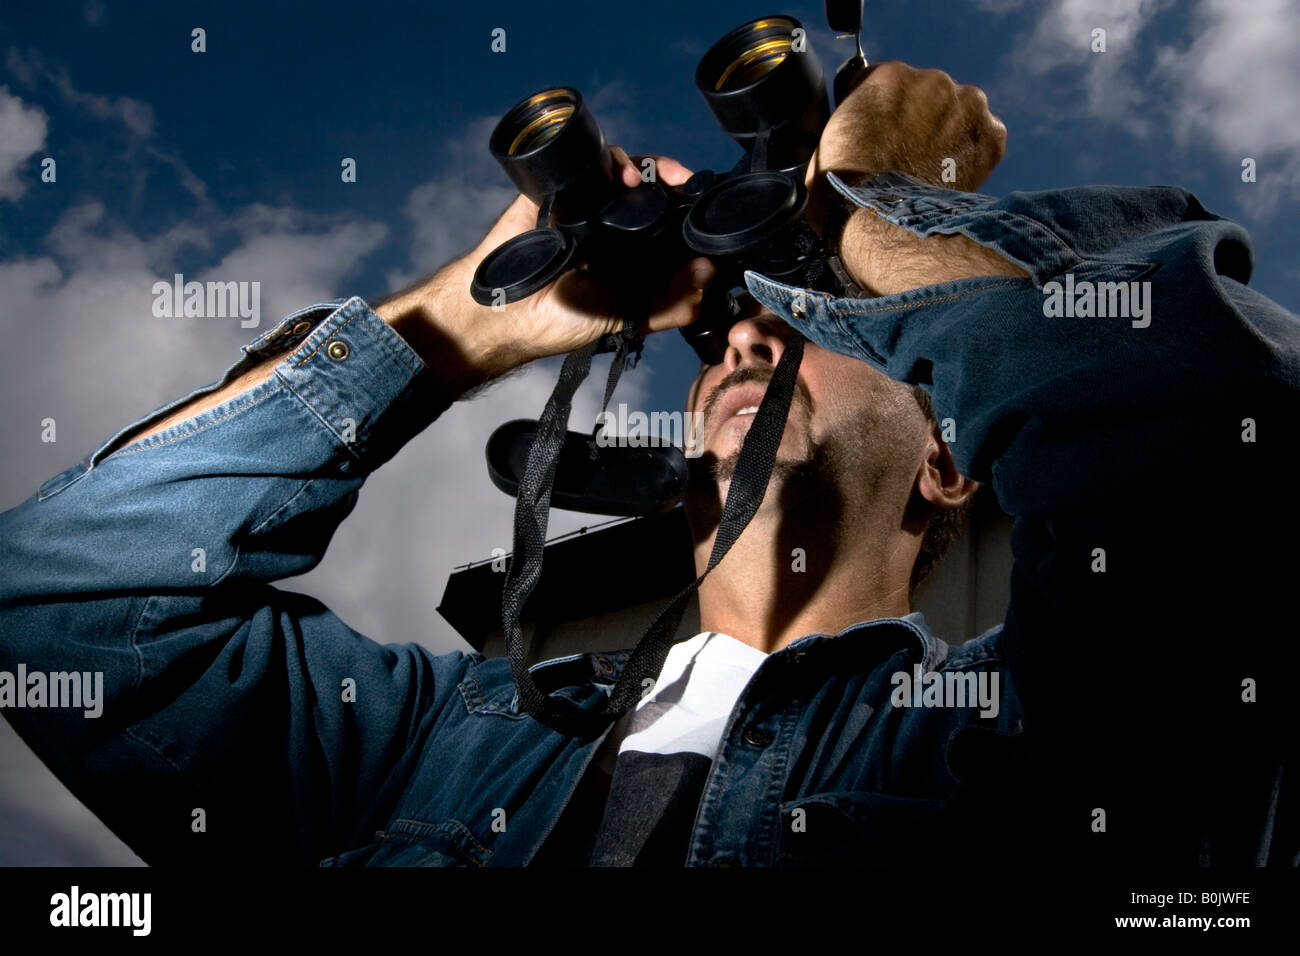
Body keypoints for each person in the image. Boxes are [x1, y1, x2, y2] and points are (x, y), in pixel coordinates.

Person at [0, 63, 1294, 867]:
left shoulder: (995, 730)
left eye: (818, 323)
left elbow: (1225, 470)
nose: (748, 339)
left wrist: (885, 218)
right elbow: (61, 594)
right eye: (729, 333)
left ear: (950, 461)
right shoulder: (441, 746)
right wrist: (476, 321)